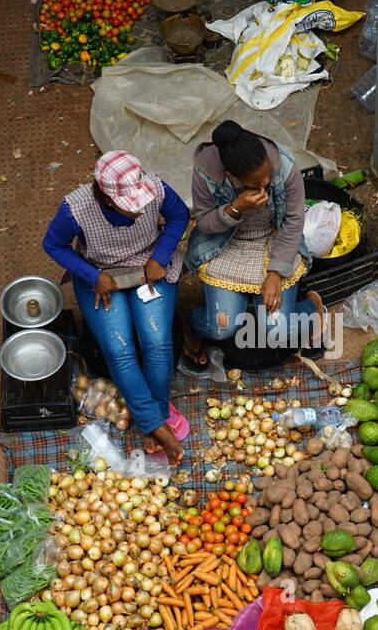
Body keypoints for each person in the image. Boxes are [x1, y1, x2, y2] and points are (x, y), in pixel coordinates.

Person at [43, 151, 190, 464]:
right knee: (119, 348)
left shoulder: (156, 189)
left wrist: (159, 257)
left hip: (148, 266)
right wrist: (92, 275)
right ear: (107, 199)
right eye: (128, 203)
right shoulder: (76, 209)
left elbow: (179, 217)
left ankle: (156, 417)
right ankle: (157, 425)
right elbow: (53, 245)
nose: (139, 206)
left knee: (157, 342)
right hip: (100, 273)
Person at [184, 121, 323, 366]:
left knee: (277, 332)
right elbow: (204, 223)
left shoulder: (284, 164)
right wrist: (235, 208)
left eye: (268, 172)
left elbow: (293, 221)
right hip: (224, 245)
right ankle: (195, 321)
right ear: (232, 177)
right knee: (221, 328)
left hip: (274, 240)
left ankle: (311, 307)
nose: (268, 180)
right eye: (257, 181)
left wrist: (274, 274)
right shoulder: (207, 173)